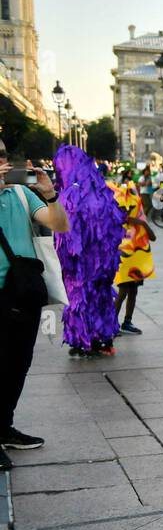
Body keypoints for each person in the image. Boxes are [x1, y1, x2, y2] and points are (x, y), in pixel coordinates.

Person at [0, 142, 70, 469]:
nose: (2, 160)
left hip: (23, 290)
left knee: (17, 363)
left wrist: (50, 194)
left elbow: (59, 224)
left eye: (3, 153)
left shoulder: (19, 194)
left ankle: (4, 426)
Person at [53, 153, 125, 358]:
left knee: (79, 298)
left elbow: (66, 233)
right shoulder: (104, 193)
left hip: (79, 262)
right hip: (103, 261)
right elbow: (115, 226)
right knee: (100, 296)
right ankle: (103, 337)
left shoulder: (69, 195)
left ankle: (80, 339)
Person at [113, 170, 155, 336]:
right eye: (124, 208)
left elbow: (153, 237)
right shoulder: (115, 224)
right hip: (122, 261)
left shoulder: (139, 222)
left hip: (137, 261)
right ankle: (112, 323)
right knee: (122, 291)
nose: (127, 210)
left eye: (130, 207)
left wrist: (141, 223)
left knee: (133, 291)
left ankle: (127, 321)